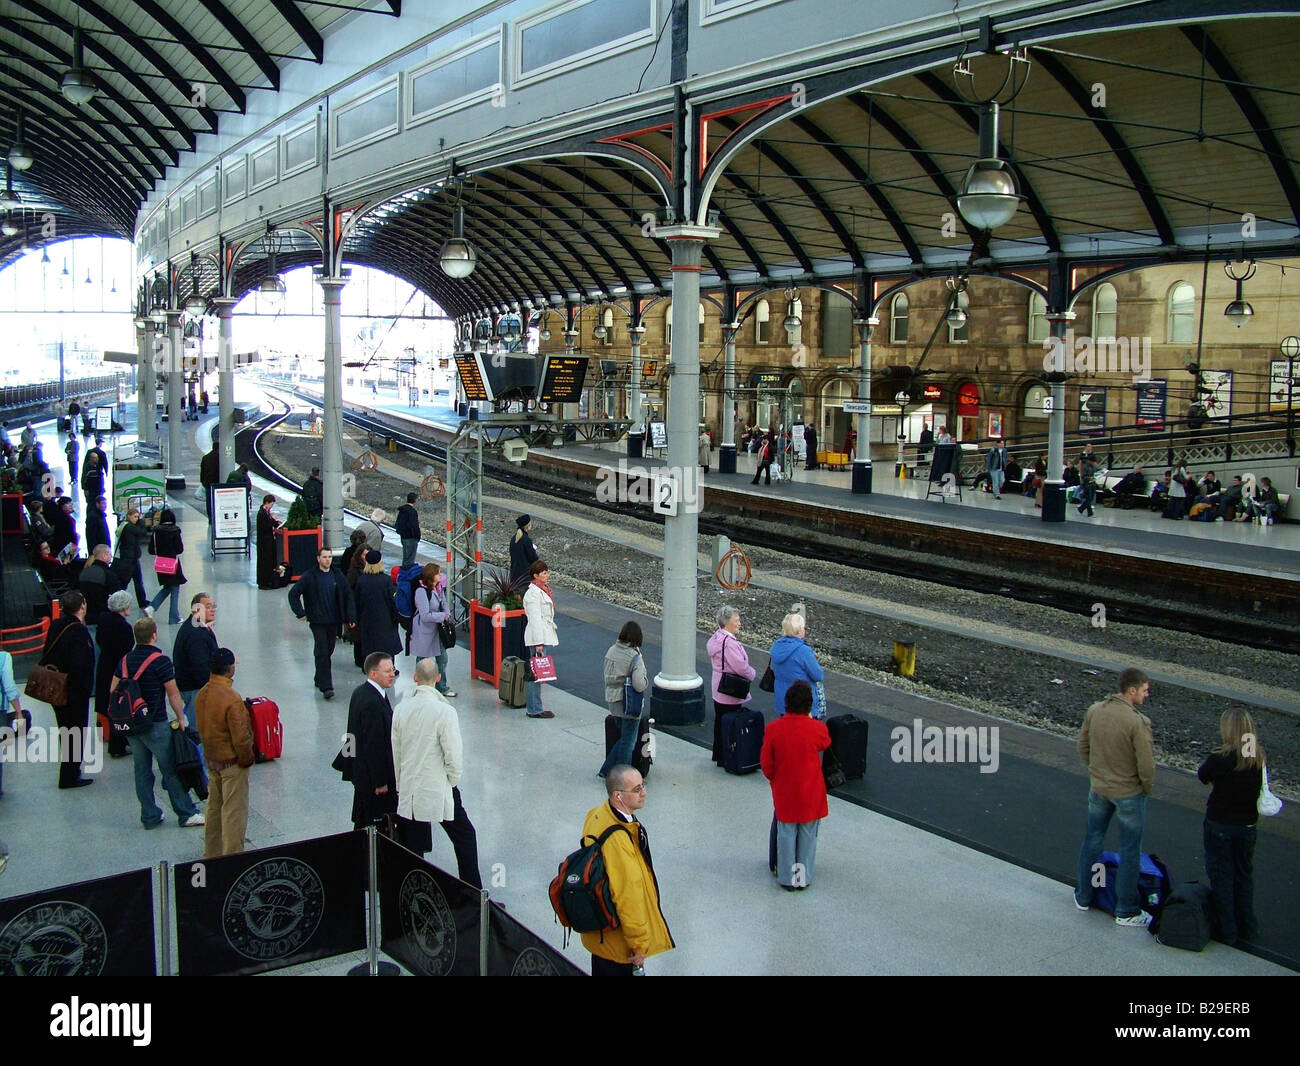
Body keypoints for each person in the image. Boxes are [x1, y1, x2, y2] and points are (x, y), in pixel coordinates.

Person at [1073, 668, 1154, 927]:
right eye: (1144, 689)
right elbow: (1146, 765)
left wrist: (1097, 772)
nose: (1147, 694)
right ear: (1132, 690)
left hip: (1099, 788)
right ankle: (1126, 910)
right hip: (1129, 793)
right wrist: (1146, 788)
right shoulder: (1137, 722)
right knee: (1130, 850)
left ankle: (1083, 896)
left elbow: (1082, 747)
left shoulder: (1095, 710)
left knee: (1092, 840)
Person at [391, 657, 482, 887]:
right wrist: (453, 780)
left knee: (413, 846)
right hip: (438, 785)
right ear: (438, 678)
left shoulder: (400, 710)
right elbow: (453, 754)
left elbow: (397, 752)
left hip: (410, 788)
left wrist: (401, 784)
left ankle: (414, 892)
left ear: (414, 678)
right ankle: (472, 892)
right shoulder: (445, 712)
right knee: (464, 835)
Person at [579, 765, 674, 976]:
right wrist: (639, 945)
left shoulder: (596, 815)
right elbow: (627, 896)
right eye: (637, 789)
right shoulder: (618, 840)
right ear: (618, 796)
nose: (644, 793)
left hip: (600, 936)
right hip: (619, 946)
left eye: (643, 785)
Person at [110, 618, 203, 829]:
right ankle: (186, 813)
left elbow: (113, 690)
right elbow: (172, 692)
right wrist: (181, 717)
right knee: (170, 769)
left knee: (141, 770)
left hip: (133, 725)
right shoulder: (160, 661)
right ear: (154, 635)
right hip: (155, 723)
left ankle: (150, 815)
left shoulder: (125, 660)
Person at [1196, 709, 1264, 947]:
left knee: (1221, 876)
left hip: (1220, 824)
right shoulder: (1257, 757)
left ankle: (1228, 932)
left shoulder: (1220, 758)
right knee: (1243, 876)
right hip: (1247, 826)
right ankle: (1248, 928)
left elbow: (1202, 775)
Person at [761, 680, 831, 889]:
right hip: (811, 793)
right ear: (809, 706)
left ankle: (787, 878)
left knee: (786, 835)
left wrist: (775, 779)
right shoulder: (817, 729)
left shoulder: (774, 729)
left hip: (785, 792)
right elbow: (825, 743)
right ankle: (802, 878)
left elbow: (766, 764)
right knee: (808, 837)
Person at [195, 648, 255, 857]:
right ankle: (232, 857)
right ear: (230, 669)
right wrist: (246, 759)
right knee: (233, 813)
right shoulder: (231, 698)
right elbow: (240, 736)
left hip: (212, 759)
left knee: (214, 809)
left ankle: (211, 855)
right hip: (232, 763)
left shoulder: (202, 693)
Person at [40, 591, 96, 789]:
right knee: (76, 731)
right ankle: (70, 775)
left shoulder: (57, 625)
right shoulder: (78, 631)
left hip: (55, 687)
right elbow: (81, 665)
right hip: (73, 691)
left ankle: (69, 772)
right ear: (81, 606)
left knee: (65, 730)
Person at [288, 546, 356, 700]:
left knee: (328, 650)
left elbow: (347, 595)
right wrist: (300, 612)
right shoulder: (310, 576)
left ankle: (319, 676)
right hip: (318, 621)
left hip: (334, 621)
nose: (328, 560)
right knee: (323, 651)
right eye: (325, 557)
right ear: (318, 559)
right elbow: (294, 594)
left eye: (330, 557)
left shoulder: (337, 575)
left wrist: (351, 617)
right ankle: (327, 686)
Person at [341, 652, 398, 830]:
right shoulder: (372, 702)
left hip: (363, 774)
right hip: (373, 780)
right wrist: (380, 781)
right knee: (372, 824)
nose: (392, 674)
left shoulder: (362, 692)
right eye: (388, 671)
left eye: (393, 670)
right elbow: (373, 745)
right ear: (373, 674)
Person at [708, 605, 756, 766]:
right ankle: (728, 757)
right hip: (731, 690)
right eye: (736, 620)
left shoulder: (716, 638)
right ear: (727, 623)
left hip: (718, 686)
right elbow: (740, 667)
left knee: (720, 722)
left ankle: (719, 754)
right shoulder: (730, 643)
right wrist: (752, 673)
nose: (739, 623)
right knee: (731, 724)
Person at [600, 621, 649, 778]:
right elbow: (639, 684)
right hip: (629, 704)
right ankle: (623, 776)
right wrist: (646, 680)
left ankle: (606, 770)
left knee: (622, 738)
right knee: (628, 742)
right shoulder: (635, 657)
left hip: (612, 701)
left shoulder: (611, 650)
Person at [94, 590, 135, 759]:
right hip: (117, 670)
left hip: (104, 666)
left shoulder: (103, 619)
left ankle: (116, 741)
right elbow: (126, 649)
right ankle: (117, 745)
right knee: (119, 706)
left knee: (110, 705)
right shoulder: (123, 627)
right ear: (123, 607)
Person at [173, 592, 219, 727]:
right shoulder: (196, 635)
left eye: (213, 606)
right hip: (196, 690)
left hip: (194, 687)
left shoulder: (197, 627)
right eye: (208, 606)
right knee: (199, 728)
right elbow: (200, 667)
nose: (213, 610)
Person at [768, 612, 825, 720]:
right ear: (798, 630)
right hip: (802, 702)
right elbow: (818, 676)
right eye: (804, 627)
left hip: (783, 700)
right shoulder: (803, 650)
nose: (805, 630)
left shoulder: (777, 646)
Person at [410, 563, 456, 698]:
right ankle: (422, 687)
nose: (441, 575)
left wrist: (446, 613)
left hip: (436, 630)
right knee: (422, 659)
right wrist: (442, 616)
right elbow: (424, 616)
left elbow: (443, 603)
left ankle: (442, 686)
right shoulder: (421, 591)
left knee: (442, 658)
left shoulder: (438, 588)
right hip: (424, 630)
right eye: (438, 573)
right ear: (432, 576)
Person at [353, 550, 402, 673]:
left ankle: (370, 668)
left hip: (367, 621)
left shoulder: (361, 580)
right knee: (387, 648)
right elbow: (393, 602)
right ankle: (390, 669)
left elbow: (357, 602)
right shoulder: (386, 580)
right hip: (385, 620)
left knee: (370, 645)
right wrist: (396, 618)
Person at [522, 558, 557, 719]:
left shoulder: (541, 590)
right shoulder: (532, 594)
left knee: (537, 673)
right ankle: (534, 708)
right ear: (535, 575)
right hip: (538, 637)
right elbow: (534, 619)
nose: (547, 575)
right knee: (535, 674)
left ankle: (536, 706)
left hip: (543, 634)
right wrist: (538, 643)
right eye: (544, 573)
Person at [146, 508, 186, 624]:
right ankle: (173, 616)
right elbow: (180, 549)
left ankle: (152, 607)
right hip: (173, 563)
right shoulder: (175, 531)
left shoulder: (156, 531)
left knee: (168, 587)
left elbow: (151, 550)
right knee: (175, 588)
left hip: (160, 564)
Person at [113, 507, 152, 609]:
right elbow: (142, 532)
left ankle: (141, 601)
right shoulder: (130, 528)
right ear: (129, 516)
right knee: (127, 582)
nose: (136, 519)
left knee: (135, 581)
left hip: (130, 558)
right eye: (135, 517)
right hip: (129, 559)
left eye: (138, 517)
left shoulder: (125, 526)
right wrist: (142, 521)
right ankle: (121, 601)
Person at [77, 543, 125, 620]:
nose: (111, 556)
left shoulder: (83, 572)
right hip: (104, 617)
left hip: (86, 616)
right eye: (109, 554)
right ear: (104, 556)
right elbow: (117, 597)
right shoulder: (108, 575)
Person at [255, 494, 282, 589]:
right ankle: (263, 583)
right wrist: (273, 520)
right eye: (271, 504)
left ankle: (268, 581)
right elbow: (265, 526)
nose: (271, 507)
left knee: (268, 562)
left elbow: (269, 523)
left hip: (268, 542)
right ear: (266, 503)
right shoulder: (261, 513)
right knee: (264, 563)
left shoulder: (266, 512)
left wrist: (276, 522)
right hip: (264, 543)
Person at [509, 514, 538, 586]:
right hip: (525, 575)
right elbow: (533, 558)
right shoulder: (527, 540)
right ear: (527, 526)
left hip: (514, 573)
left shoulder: (514, 539)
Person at [395, 491, 420, 568]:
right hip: (411, 538)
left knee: (405, 558)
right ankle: (407, 575)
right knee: (410, 560)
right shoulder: (412, 512)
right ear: (415, 500)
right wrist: (417, 536)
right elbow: (414, 525)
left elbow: (398, 523)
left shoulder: (402, 510)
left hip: (403, 537)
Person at [1076, 452, 1098, 517]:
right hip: (1087, 484)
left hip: (1092, 483)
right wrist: (1089, 478)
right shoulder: (1085, 467)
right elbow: (1083, 477)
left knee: (1090, 498)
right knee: (1088, 498)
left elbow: (1095, 473)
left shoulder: (1092, 466)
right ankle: (1087, 511)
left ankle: (1083, 510)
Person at [199, 446, 219, 517]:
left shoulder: (205, 457)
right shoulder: (220, 458)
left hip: (208, 483)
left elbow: (202, 471)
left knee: (209, 501)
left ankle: (210, 516)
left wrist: (202, 481)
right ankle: (216, 516)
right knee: (217, 501)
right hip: (217, 483)